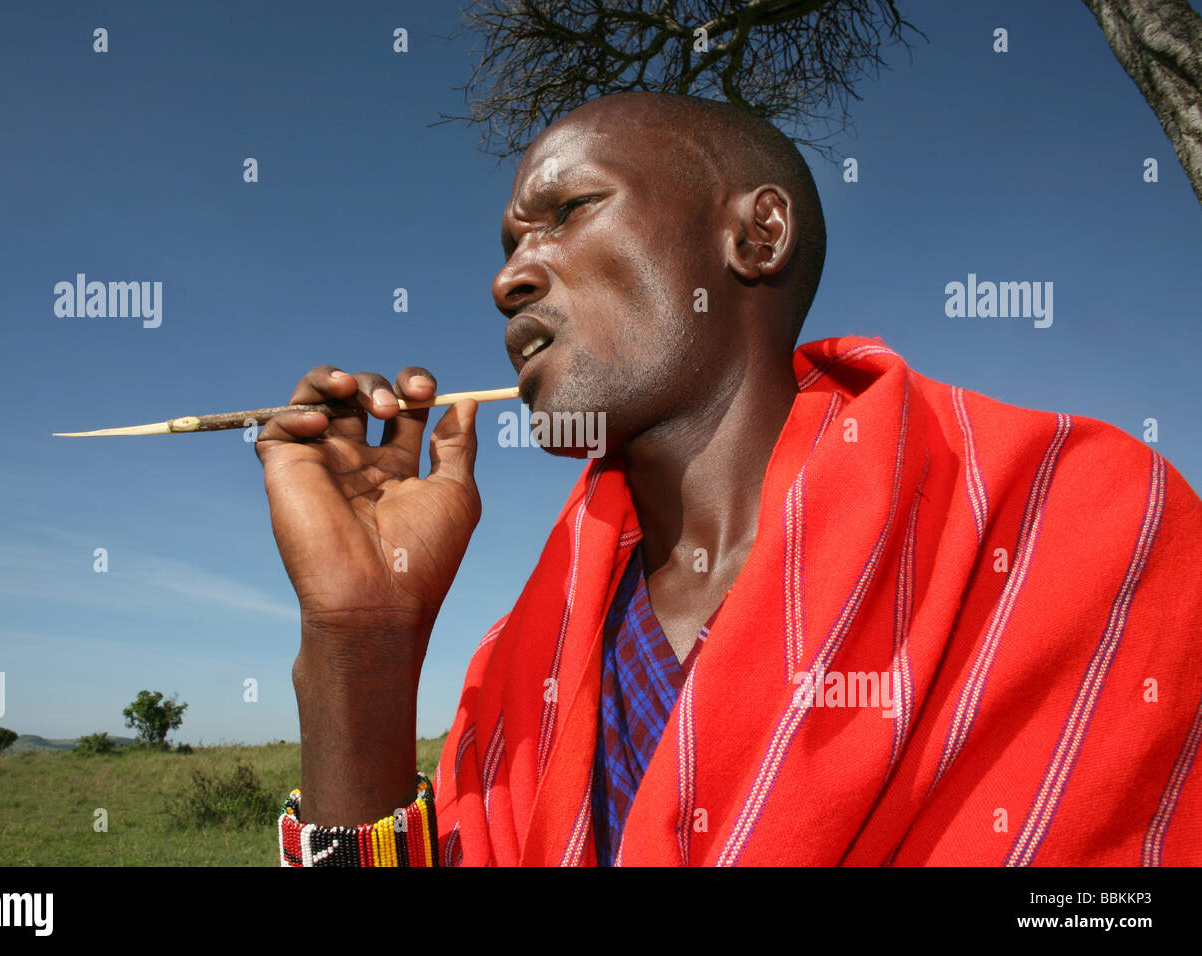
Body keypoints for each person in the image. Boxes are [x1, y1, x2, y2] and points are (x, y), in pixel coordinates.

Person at [259, 92, 1202, 866]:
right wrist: (361, 649)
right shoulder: (522, 664)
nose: (510, 278)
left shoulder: (1073, 522)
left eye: (567, 213)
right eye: (509, 247)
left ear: (757, 237)